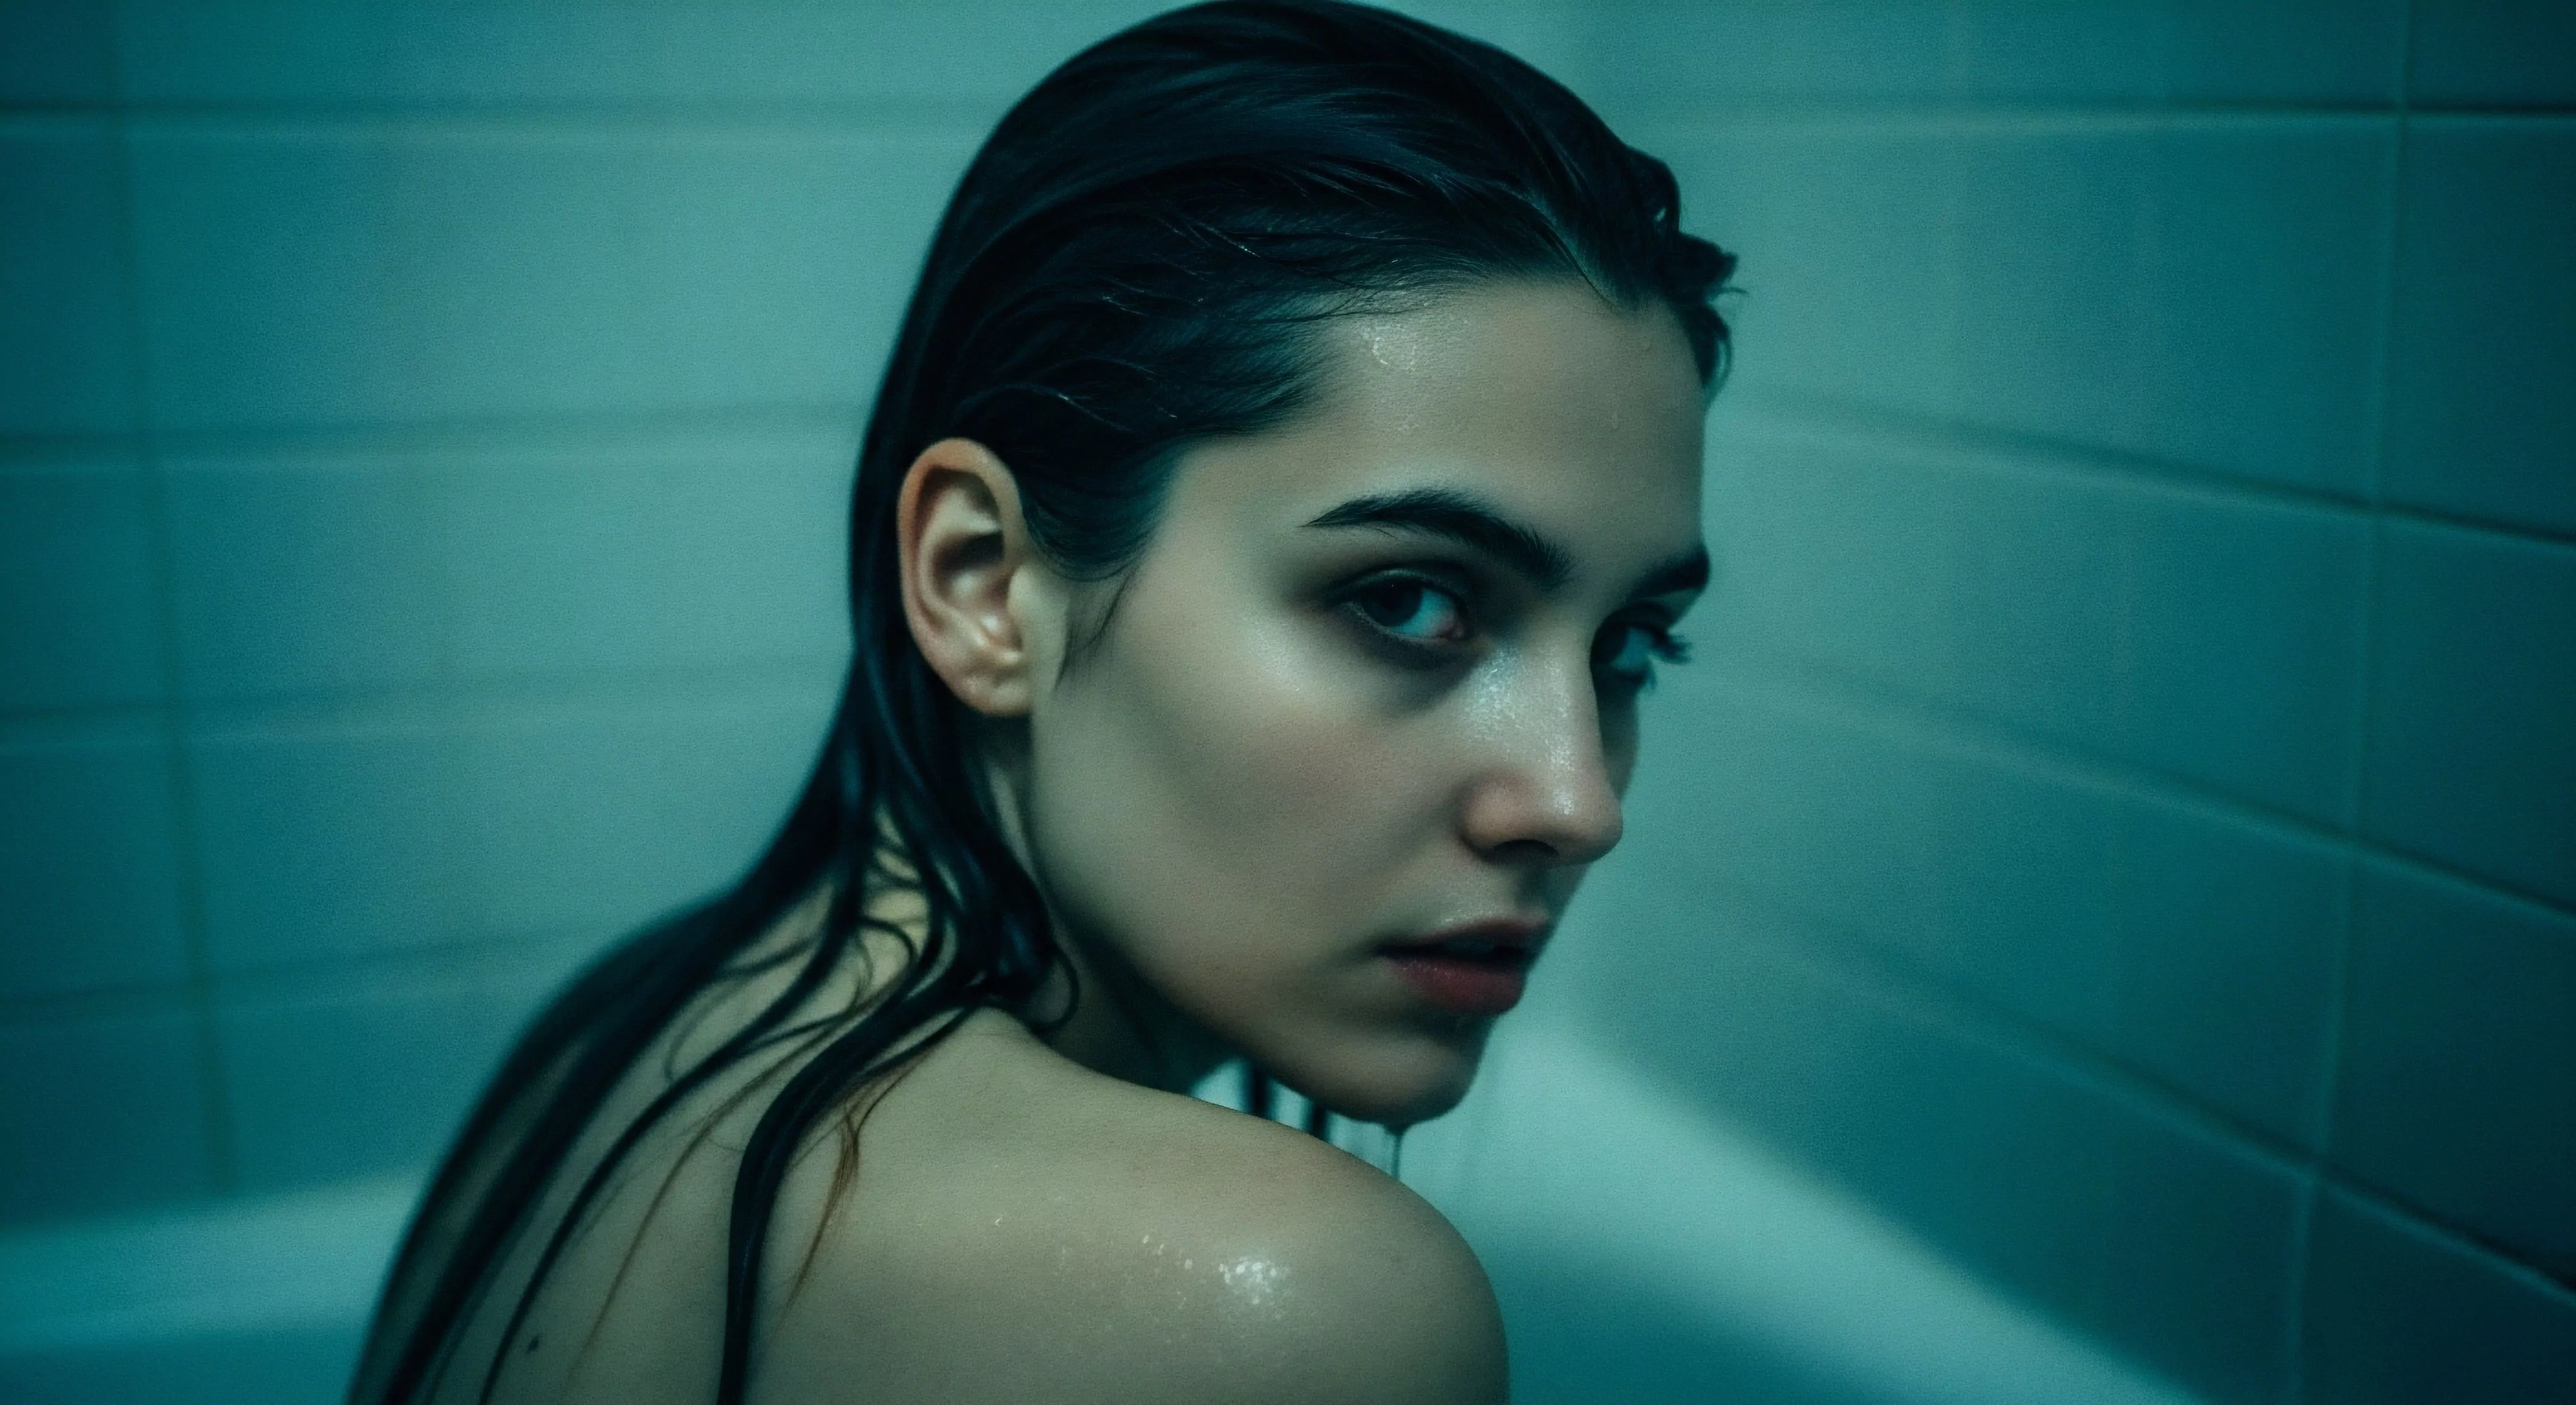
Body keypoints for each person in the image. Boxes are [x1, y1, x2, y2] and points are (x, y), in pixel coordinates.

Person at [350, 2, 1731, 1401]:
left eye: (1628, 647)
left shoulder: (629, 1026)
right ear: (982, 582)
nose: (1577, 801)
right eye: (1408, 603)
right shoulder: (1292, 1305)